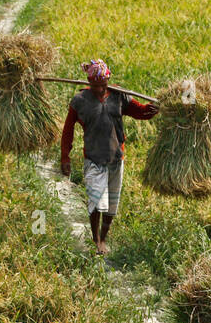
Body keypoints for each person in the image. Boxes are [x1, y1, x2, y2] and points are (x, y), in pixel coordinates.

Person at [60, 59, 160, 255]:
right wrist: (65, 157)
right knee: (97, 202)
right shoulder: (79, 101)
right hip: (93, 159)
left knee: (112, 204)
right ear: (89, 82)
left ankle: (104, 237)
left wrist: (158, 106)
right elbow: (68, 130)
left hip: (116, 157)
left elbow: (141, 112)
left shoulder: (120, 96)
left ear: (108, 81)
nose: (99, 89)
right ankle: (95, 239)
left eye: (103, 85)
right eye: (95, 86)